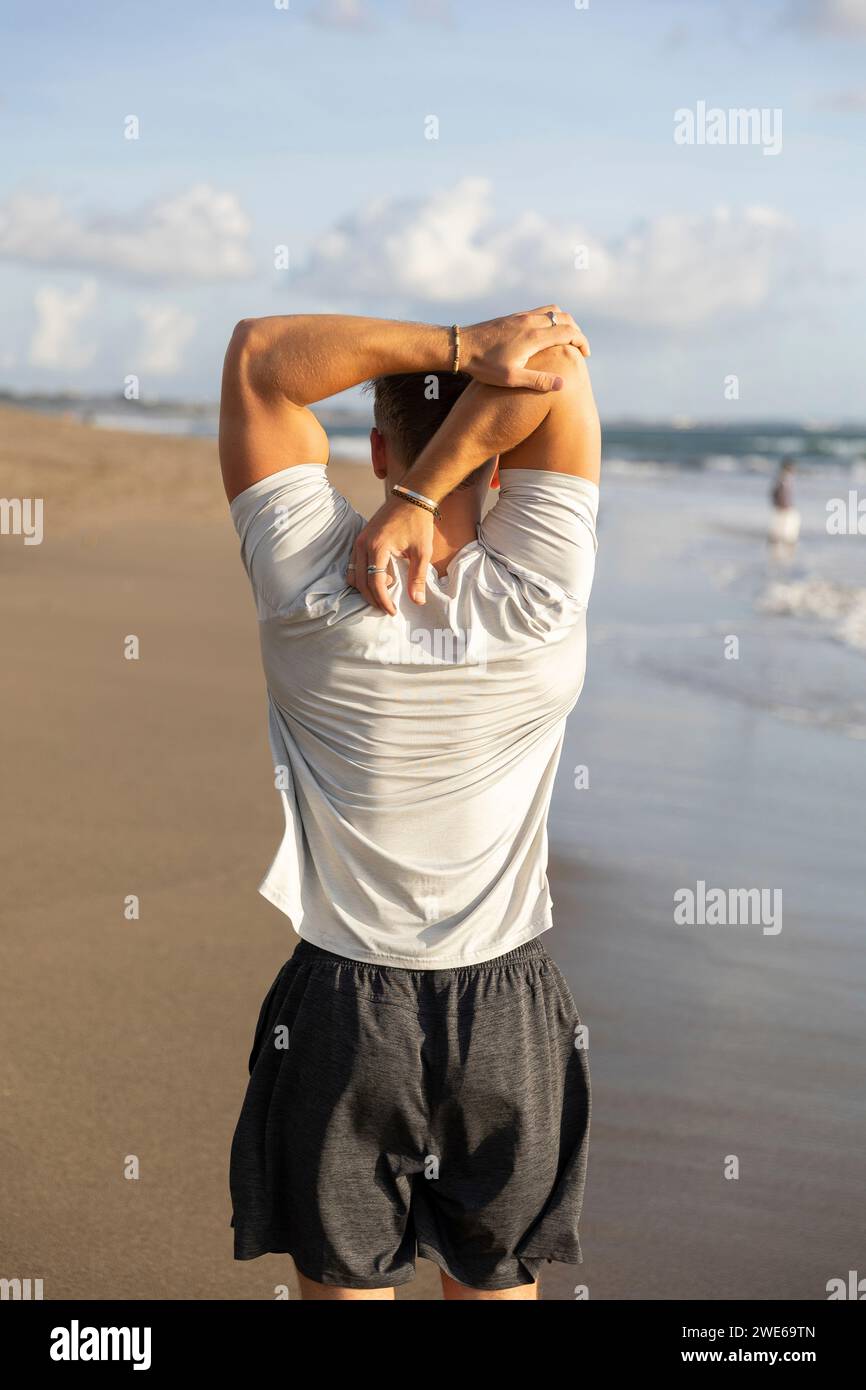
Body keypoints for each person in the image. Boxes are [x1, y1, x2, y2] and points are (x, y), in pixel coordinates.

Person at [219, 309, 601, 1301]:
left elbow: (262, 357)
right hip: (507, 1012)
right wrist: (424, 491)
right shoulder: (540, 601)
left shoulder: (305, 586)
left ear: (375, 444)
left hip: (345, 1010)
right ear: (505, 467)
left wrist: (455, 351)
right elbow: (559, 359)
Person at [769, 457, 801, 546]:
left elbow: (773, 492)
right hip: (784, 506)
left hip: (783, 506)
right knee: (786, 527)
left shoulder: (783, 478)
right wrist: (783, 504)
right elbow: (778, 492)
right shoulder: (784, 478)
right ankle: (785, 544)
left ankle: (780, 543)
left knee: (780, 527)